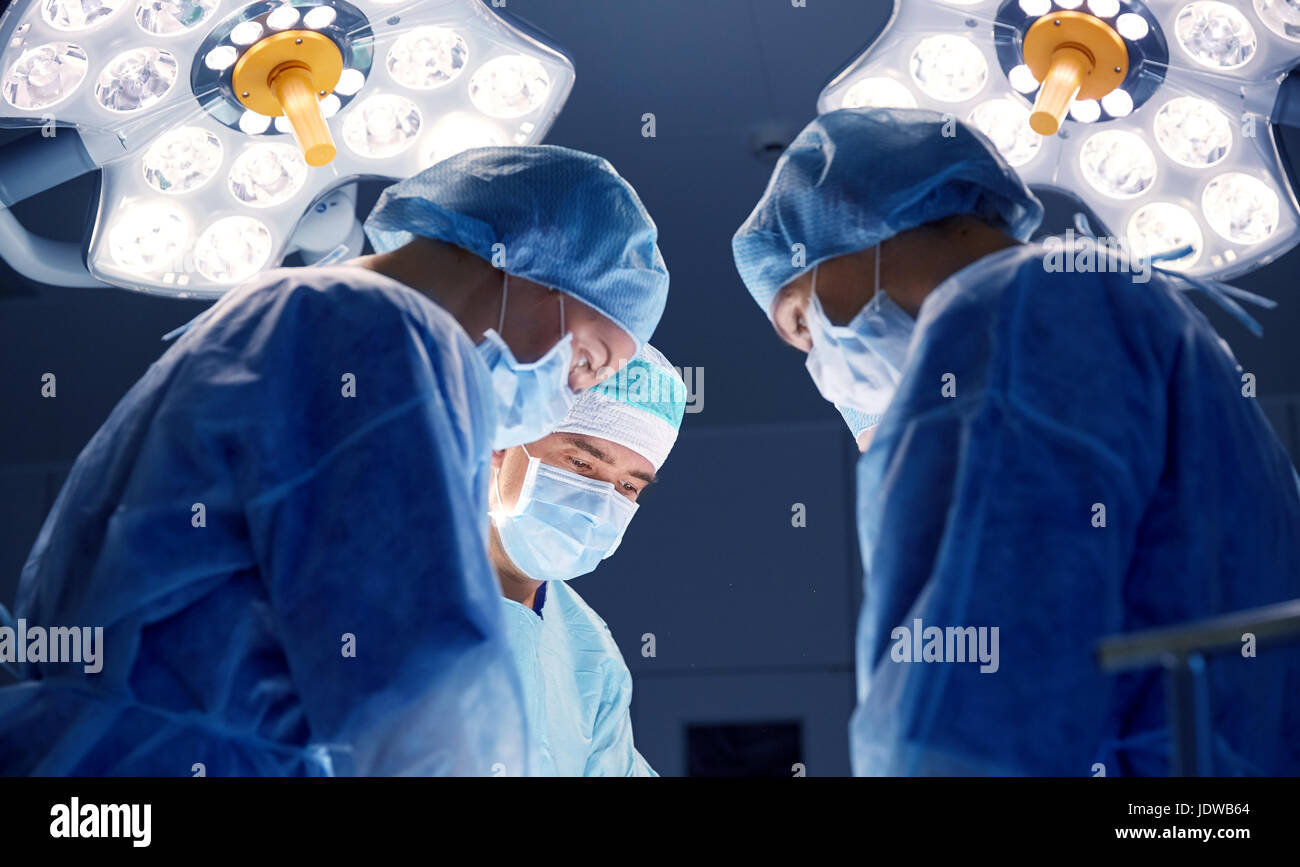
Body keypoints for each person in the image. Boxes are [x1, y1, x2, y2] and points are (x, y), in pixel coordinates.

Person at [0, 145, 669, 776]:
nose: (571, 393)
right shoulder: (377, 334)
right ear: (531, 265)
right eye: (587, 359)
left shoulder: (293, 317)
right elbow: (411, 674)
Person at [732, 107, 1300, 776]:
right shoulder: (1117, 310)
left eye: (802, 318)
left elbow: (967, 710)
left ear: (854, 225)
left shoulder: (1014, 307)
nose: (818, 357)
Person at [488, 344, 685, 776]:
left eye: (629, 487)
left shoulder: (589, 653)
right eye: (580, 463)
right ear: (499, 441)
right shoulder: (373, 595)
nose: (599, 504)